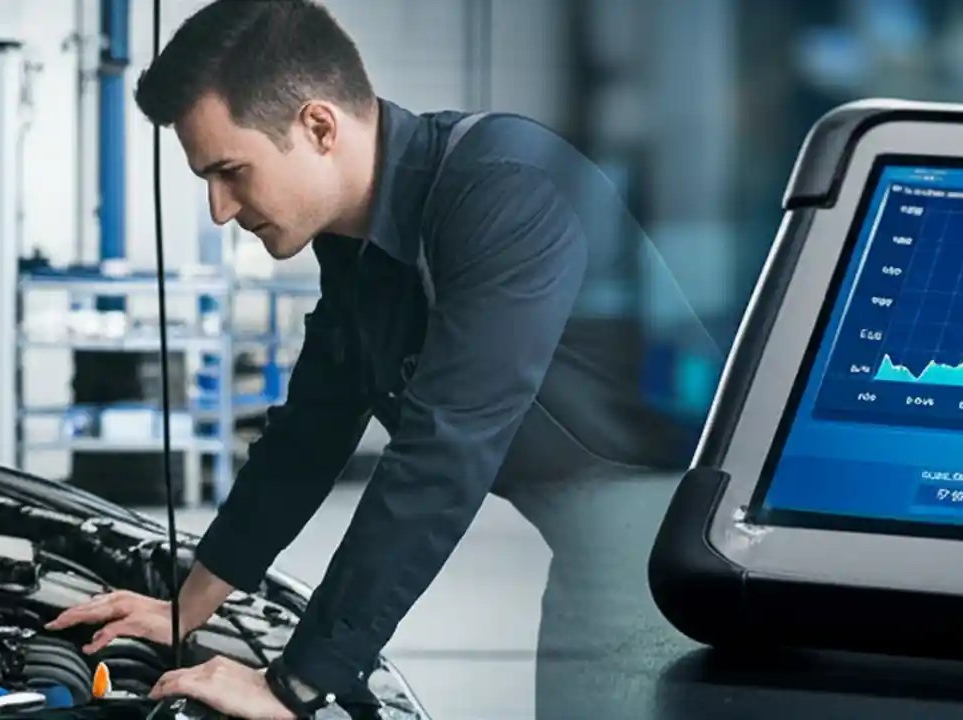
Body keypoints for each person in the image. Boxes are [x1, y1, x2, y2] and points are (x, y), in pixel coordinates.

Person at [46, 1, 720, 717]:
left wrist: (295, 683)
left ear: (318, 126)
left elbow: (443, 453)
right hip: (589, 525)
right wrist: (186, 607)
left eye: (231, 172)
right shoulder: (356, 243)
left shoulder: (503, 189)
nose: (219, 208)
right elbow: (311, 432)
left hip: (668, 529)